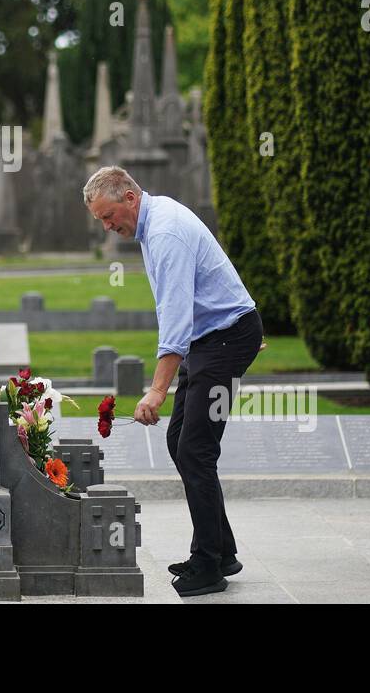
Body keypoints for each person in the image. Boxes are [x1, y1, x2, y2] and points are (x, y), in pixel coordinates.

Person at [83, 165, 264, 597]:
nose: (108, 227)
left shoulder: (164, 233)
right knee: (180, 440)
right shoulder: (153, 221)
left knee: (195, 448)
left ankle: (208, 565)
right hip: (217, 334)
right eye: (101, 222)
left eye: (109, 217)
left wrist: (157, 389)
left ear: (129, 197)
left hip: (223, 337)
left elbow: (177, 317)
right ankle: (220, 549)